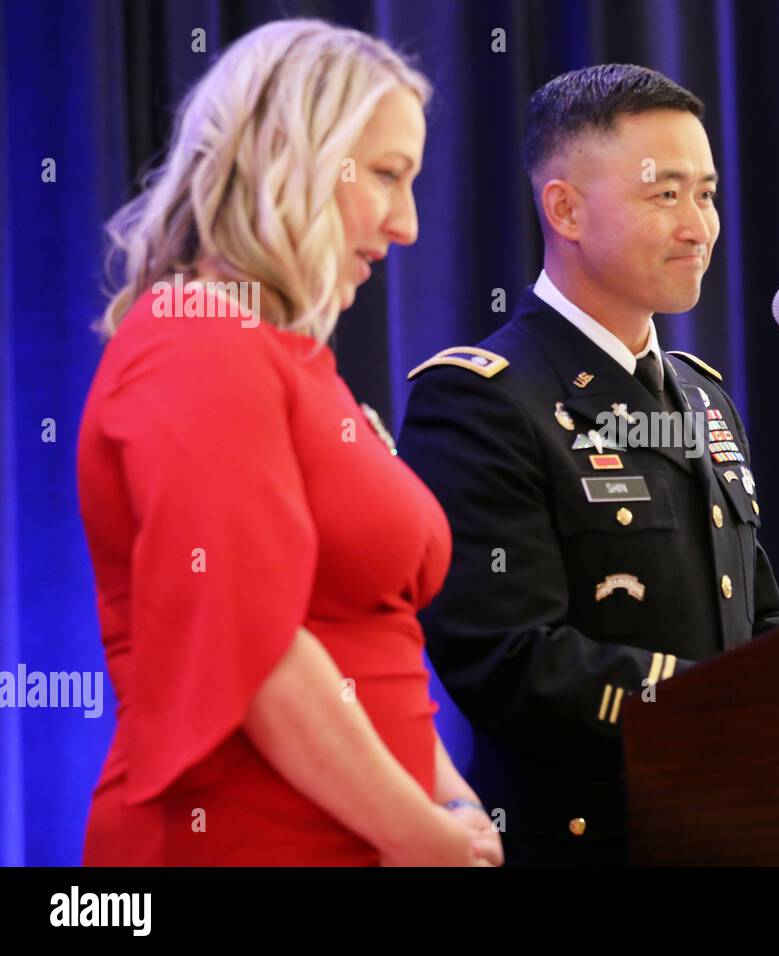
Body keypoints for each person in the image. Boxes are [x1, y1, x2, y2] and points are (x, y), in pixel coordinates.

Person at [77, 19, 501, 866]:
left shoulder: (290, 362)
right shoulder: (194, 340)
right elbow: (255, 648)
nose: (409, 223)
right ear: (291, 156)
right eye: (386, 175)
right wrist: (426, 838)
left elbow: (366, 638)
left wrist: (450, 797)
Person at [398, 64, 779, 866]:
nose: (700, 227)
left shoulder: (702, 397)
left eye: (707, 194)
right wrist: (729, 709)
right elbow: (509, 660)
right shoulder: (481, 400)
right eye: (665, 194)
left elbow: (757, 619)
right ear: (566, 209)